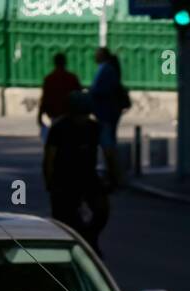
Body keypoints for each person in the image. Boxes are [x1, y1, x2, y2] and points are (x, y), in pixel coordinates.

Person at [44, 90, 110, 252]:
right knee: (64, 219)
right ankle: (72, 248)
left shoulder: (94, 128)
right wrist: (50, 180)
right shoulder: (59, 128)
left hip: (88, 176)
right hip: (64, 177)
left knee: (102, 209)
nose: (82, 119)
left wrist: (113, 175)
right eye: (79, 115)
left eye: (85, 115)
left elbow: (108, 151)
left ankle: (89, 238)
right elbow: (49, 157)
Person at [90, 47, 128, 189]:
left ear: (103, 56)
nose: (95, 56)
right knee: (108, 143)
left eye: (97, 54)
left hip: (107, 112)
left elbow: (107, 90)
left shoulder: (108, 70)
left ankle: (116, 176)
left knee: (108, 145)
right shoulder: (105, 69)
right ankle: (112, 175)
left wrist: (93, 91)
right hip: (105, 112)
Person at [38, 52, 82, 142]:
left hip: (55, 114)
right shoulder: (72, 78)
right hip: (70, 114)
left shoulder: (49, 79)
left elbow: (45, 98)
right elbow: (79, 96)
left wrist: (40, 115)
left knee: (56, 140)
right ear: (65, 62)